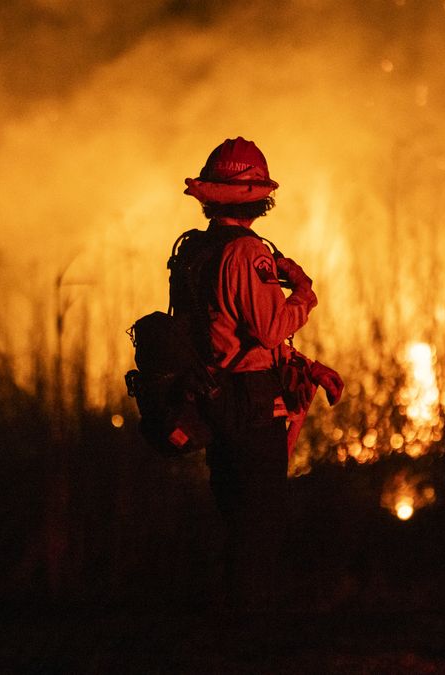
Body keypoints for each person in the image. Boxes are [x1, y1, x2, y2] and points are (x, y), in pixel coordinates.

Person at [174, 137, 343, 611]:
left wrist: (306, 367)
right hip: (249, 403)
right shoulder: (248, 254)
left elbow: (224, 330)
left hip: (214, 396)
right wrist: (304, 291)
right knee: (260, 521)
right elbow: (269, 329)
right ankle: (249, 630)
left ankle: (228, 620)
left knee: (234, 512)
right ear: (258, 197)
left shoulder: (196, 250)